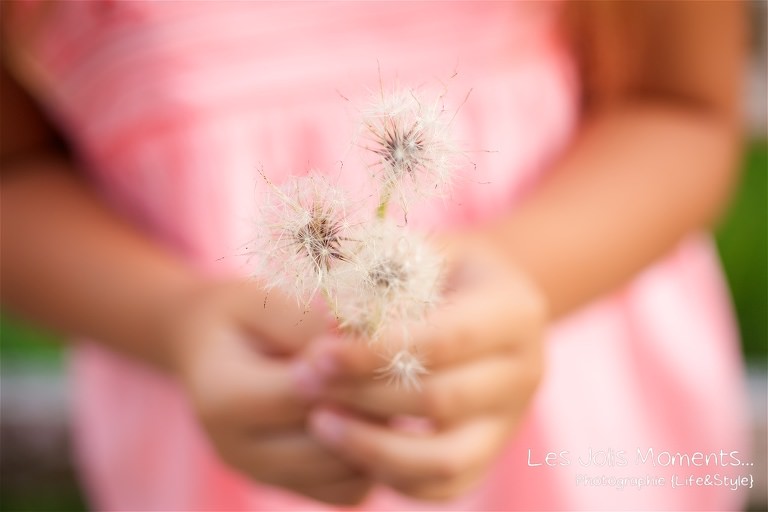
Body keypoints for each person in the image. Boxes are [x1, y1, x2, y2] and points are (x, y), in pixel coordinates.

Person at [0, 1, 750, 510]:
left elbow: (680, 104)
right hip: (220, 442)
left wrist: (522, 272)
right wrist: (177, 319)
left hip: (583, 433)